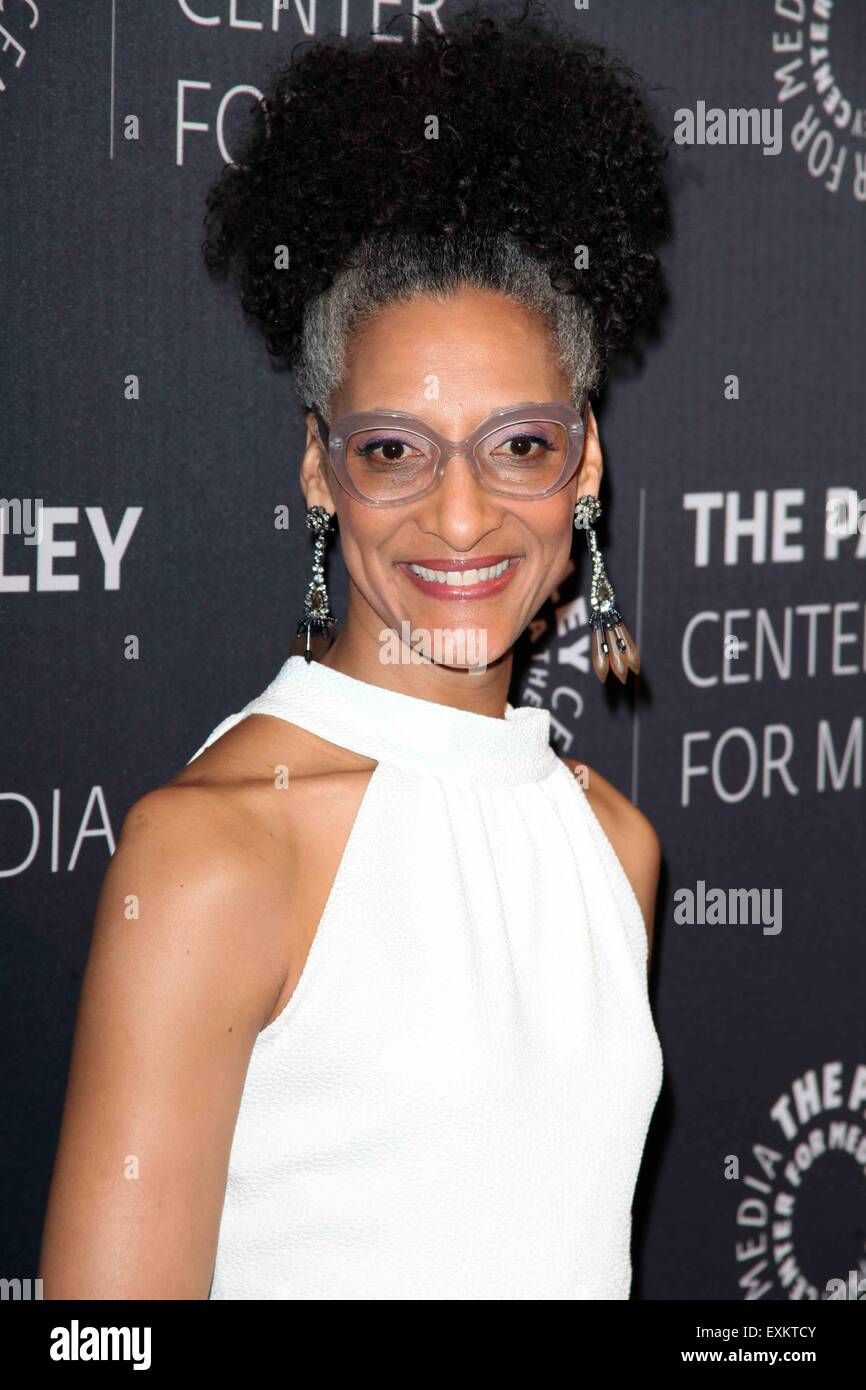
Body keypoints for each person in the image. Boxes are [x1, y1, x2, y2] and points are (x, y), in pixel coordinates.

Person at [39, 0, 671, 1299]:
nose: (459, 512)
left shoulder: (612, 844)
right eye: (393, 449)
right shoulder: (215, 848)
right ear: (321, 470)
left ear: (585, 464)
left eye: (517, 445)